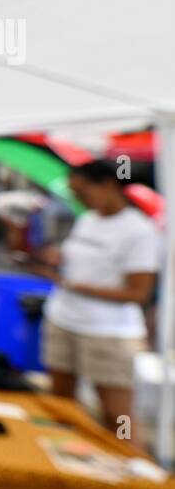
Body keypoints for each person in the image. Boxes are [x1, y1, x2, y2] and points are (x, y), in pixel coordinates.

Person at [34, 160, 162, 441]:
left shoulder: (139, 231)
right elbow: (82, 260)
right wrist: (59, 257)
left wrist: (77, 287)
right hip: (64, 318)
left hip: (108, 332)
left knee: (118, 418)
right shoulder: (89, 219)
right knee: (60, 405)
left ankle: (132, 475)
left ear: (108, 185)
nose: (78, 200)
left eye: (82, 193)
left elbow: (138, 293)